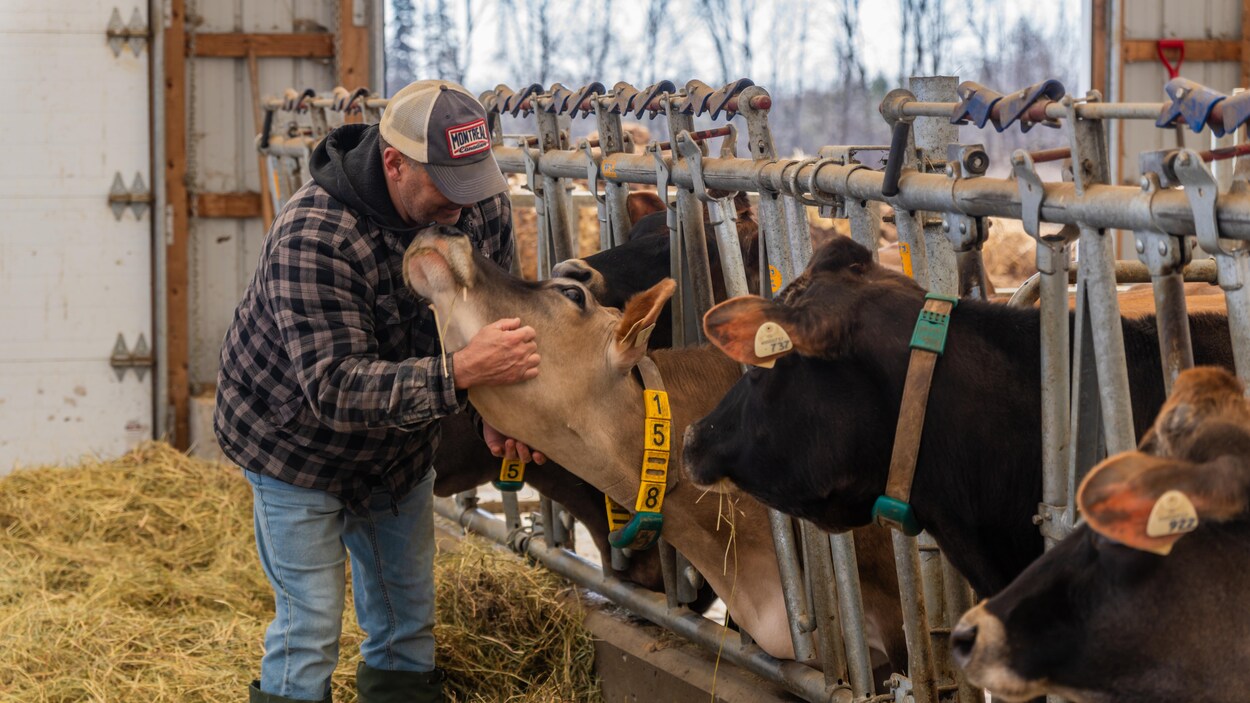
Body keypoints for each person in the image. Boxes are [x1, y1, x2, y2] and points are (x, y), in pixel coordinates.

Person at [214, 79, 544, 703]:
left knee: (405, 617)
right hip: (293, 445)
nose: (464, 204)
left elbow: (479, 326)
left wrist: (492, 415)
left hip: (400, 446)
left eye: (475, 180)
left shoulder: (476, 207)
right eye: (449, 184)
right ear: (394, 163)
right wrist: (461, 375)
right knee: (310, 624)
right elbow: (335, 388)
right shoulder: (315, 233)